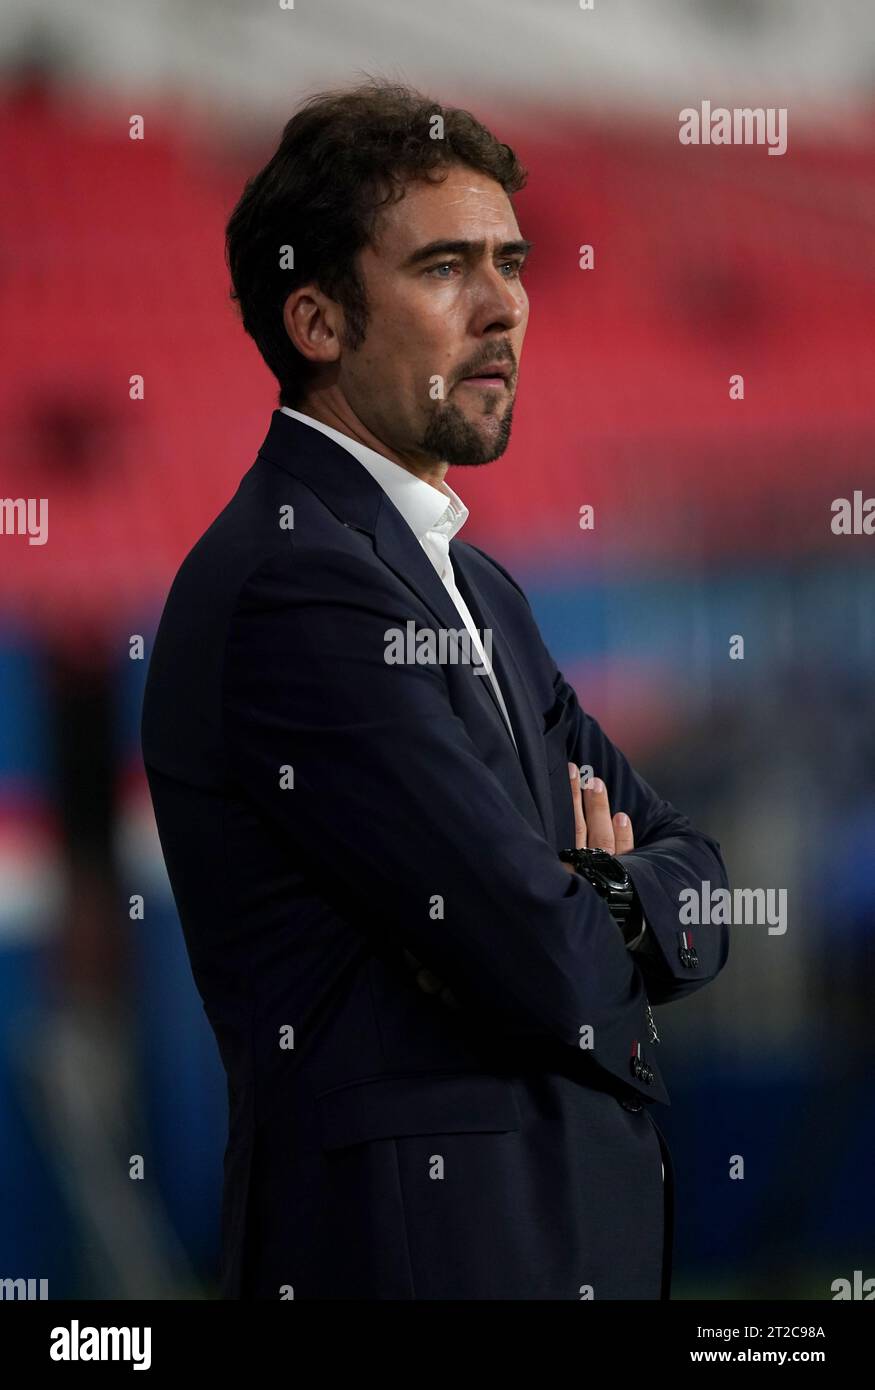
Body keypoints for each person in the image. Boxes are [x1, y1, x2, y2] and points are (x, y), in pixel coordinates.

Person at [141, 79, 729, 1300]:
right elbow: (541, 954)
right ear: (316, 319)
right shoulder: (294, 586)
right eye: (445, 267)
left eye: (510, 262)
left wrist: (594, 892)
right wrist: (597, 904)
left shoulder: (480, 589)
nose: (505, 304)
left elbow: (700, 875)